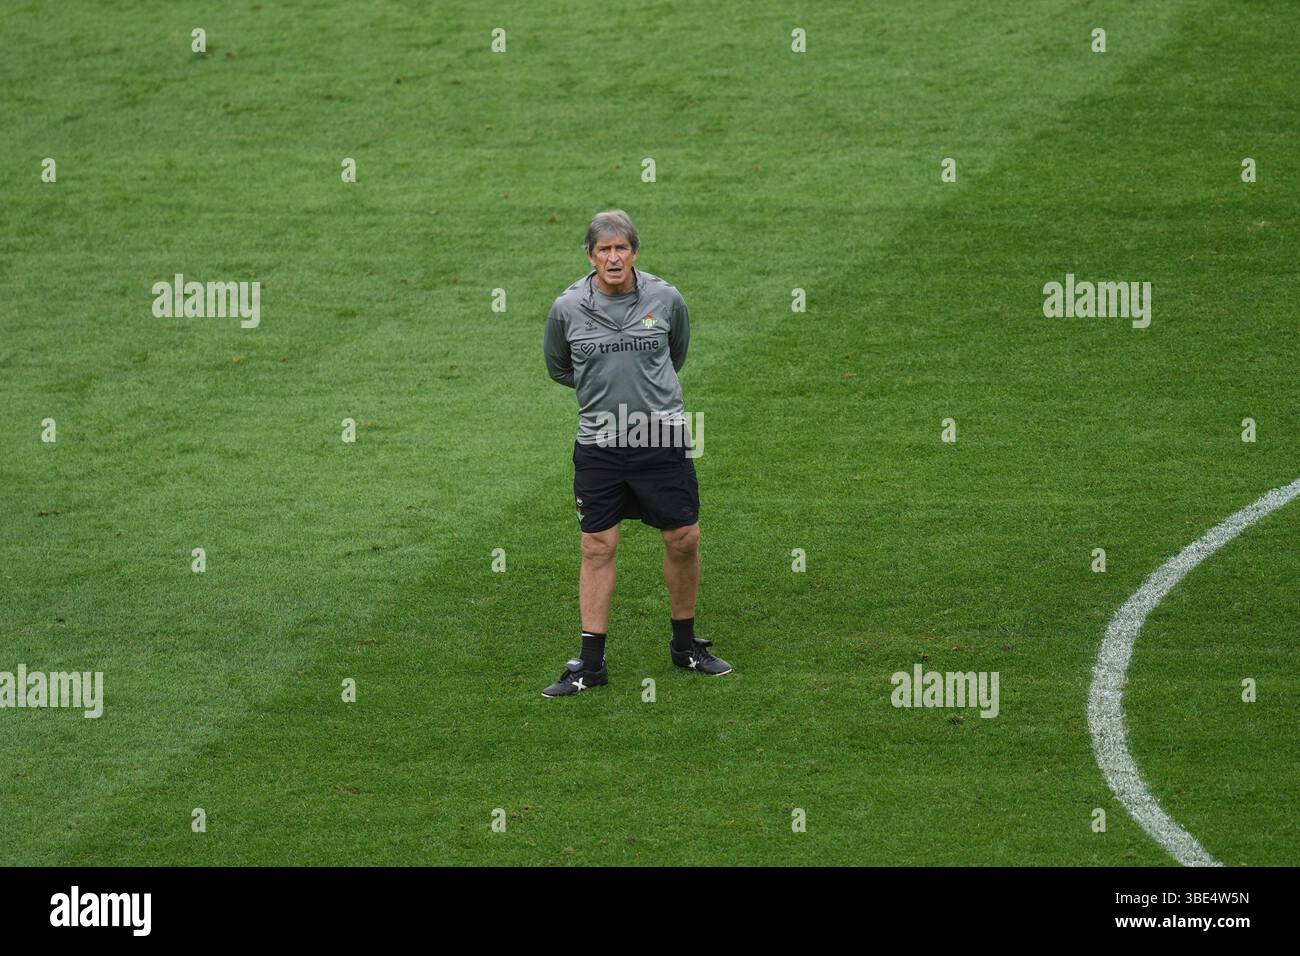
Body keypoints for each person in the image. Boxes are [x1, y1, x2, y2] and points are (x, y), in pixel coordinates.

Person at [540, 209, 732, 697]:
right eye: (603, 250)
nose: (613, 258)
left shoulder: (665, 298)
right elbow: (560, 368)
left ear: (634, 252)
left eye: (620, 248)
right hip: (600, 441)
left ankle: (685, 646)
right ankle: (590, 664)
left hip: (660, 437)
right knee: (597, 546)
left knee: (683, 537)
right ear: (589, 256)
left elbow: (676, 353)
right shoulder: (567, 308)